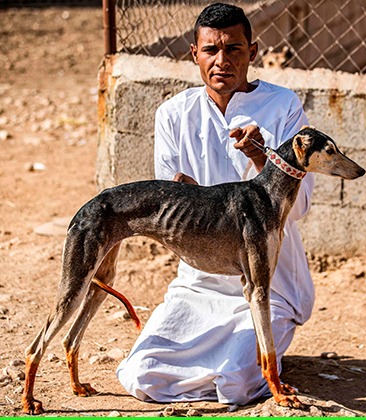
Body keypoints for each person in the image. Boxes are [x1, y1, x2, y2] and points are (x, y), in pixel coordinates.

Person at [116, 2, 314, 405]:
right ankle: (245, 358)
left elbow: (303, 205)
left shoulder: (283, 107)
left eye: (234, 50)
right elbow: (168, 203)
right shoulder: (173, 114)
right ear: (194, 54)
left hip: (270, 286)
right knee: (141, 376)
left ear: (253, 52)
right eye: (211, 50)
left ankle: (253, 358)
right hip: (198, 282)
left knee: (235, 383)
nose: (221, 61)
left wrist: (264, 158)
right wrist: (182, 193)